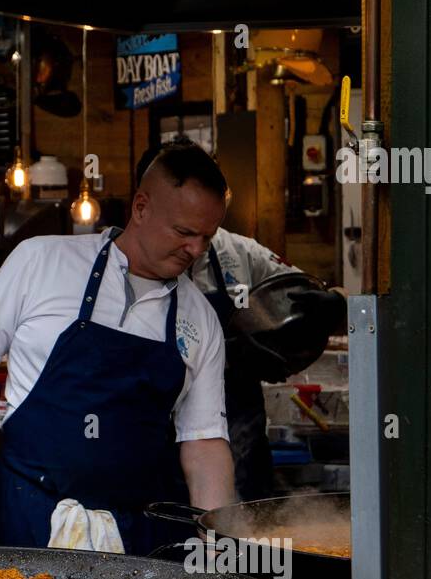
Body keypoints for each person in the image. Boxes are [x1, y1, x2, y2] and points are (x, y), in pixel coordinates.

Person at [0, 140, 235, 553]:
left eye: (208, 237)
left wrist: (217, 546)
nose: (197, 249)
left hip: (141, 537)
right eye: (185, 232)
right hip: (31, 522)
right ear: (141, 207)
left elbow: (203, 442)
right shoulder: (39, 261)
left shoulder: (200, 318)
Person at [136, 142, 348, 501]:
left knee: (238, 550)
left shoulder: (239, 253)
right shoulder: (120, 267)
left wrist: (334, 305)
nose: (197, 247)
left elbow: (314, 297)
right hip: (148, 453)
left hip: (238, 449)